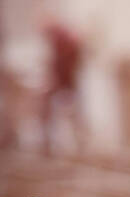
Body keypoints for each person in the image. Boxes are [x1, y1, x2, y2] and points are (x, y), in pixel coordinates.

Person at [41, 18, 85, 154]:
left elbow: (62, 68)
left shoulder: (62, 48)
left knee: (65, 117)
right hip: (67, 86)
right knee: (68, 117)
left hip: (64, 86)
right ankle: (72, 144)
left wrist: (56, 82)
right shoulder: (65, 47)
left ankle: (69, 146)